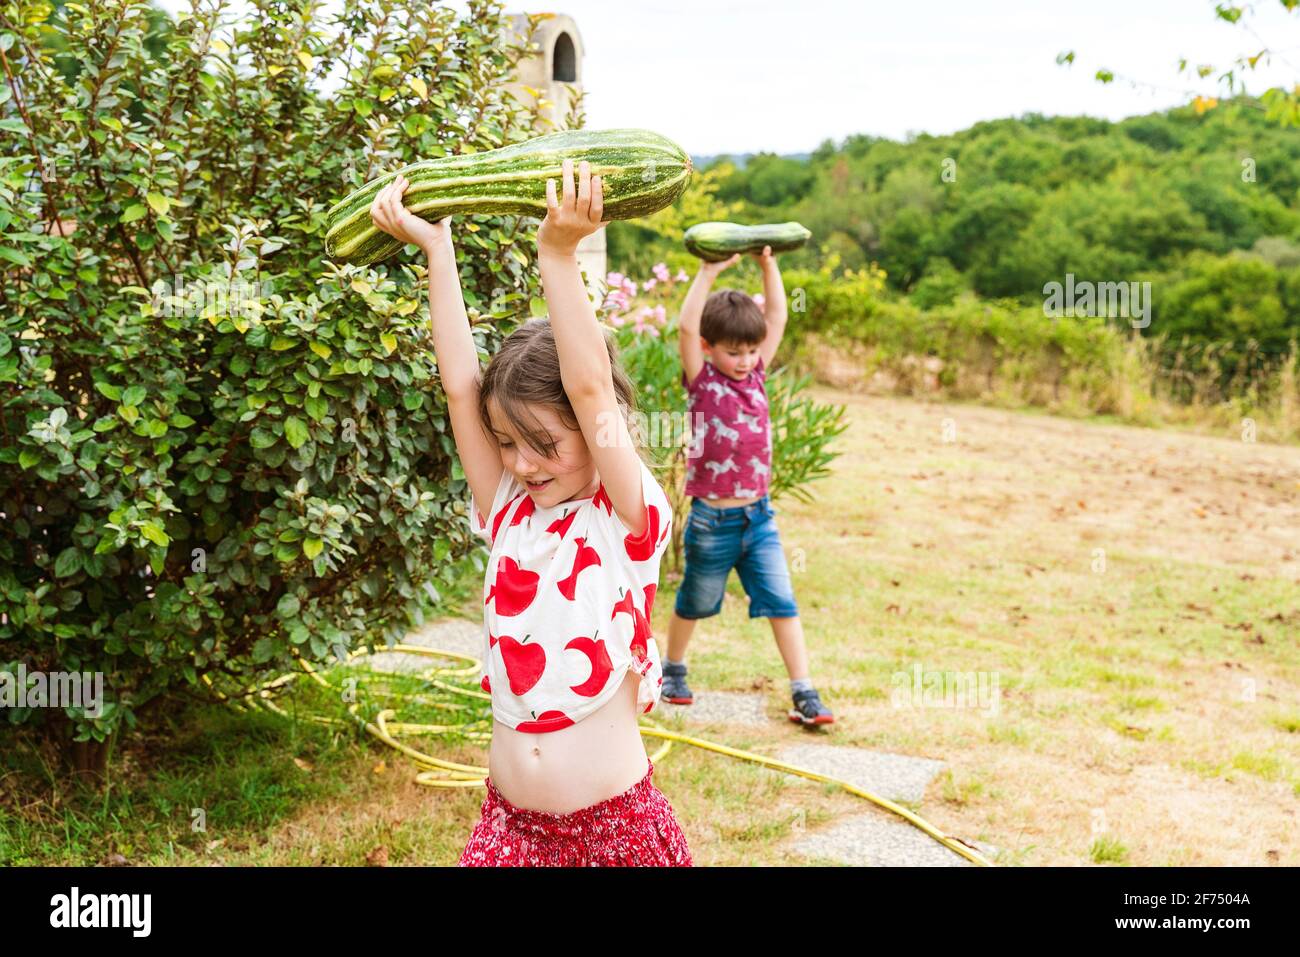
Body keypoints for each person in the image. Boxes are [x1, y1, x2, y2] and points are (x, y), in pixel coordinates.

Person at [368, 158, 692, 866]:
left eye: (543, 443)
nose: (520, 462)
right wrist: (436, 248)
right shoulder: (509, 510)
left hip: (615, 831)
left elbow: (590, 386)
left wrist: (559, 251)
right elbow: (460, 388)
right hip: (509, 828)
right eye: (507, 443)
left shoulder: (627, 521)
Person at [661, 248, 834, 726]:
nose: (744, 360)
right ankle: (673, 668)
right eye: (733, 352)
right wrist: (708, 271)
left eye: (751, 351)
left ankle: (804, 690)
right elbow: (683, 328)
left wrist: (768, 266)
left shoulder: (756, 375)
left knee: (782, 601)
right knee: (694, 600)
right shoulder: (701, 381)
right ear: (709, 347)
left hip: (759, 518)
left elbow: (776, 316)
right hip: (711, 521)